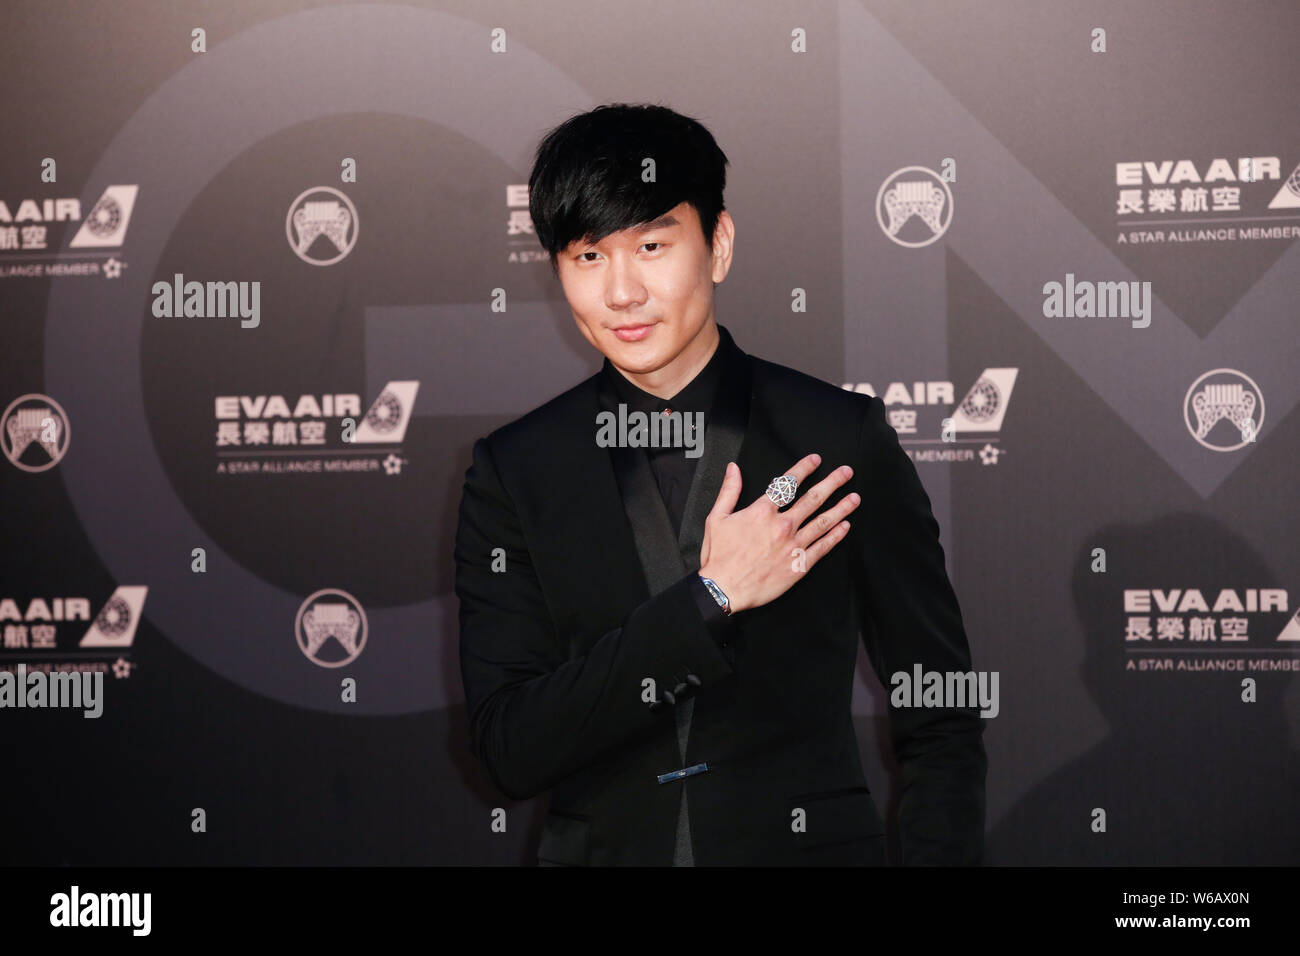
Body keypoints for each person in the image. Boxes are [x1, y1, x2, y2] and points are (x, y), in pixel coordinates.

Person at [454, 103, 986, 865]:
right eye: (588, 257)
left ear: (719, 244)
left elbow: (940, 714)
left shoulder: (836, 438)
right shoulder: (517, 470)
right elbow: (510, 749)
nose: (622, 292)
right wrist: (711, 601)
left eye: (651, 245)